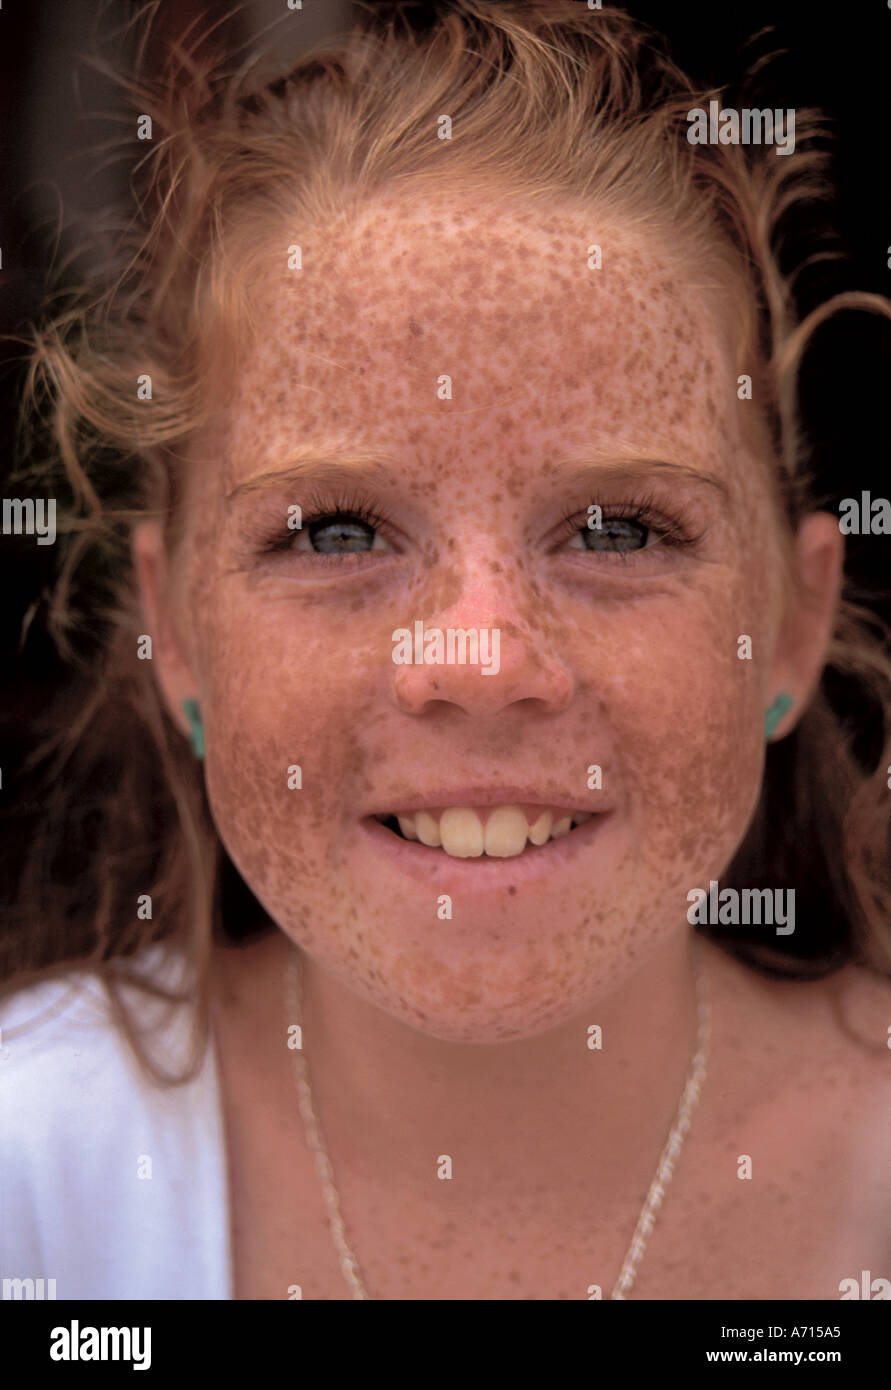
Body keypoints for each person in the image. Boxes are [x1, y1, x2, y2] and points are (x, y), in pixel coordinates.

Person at [2, 0, 890, 1301]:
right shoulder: (35, 1186)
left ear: (792, 627)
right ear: (178, 635)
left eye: (616, 528)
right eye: (338, 528)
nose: (480, 655)